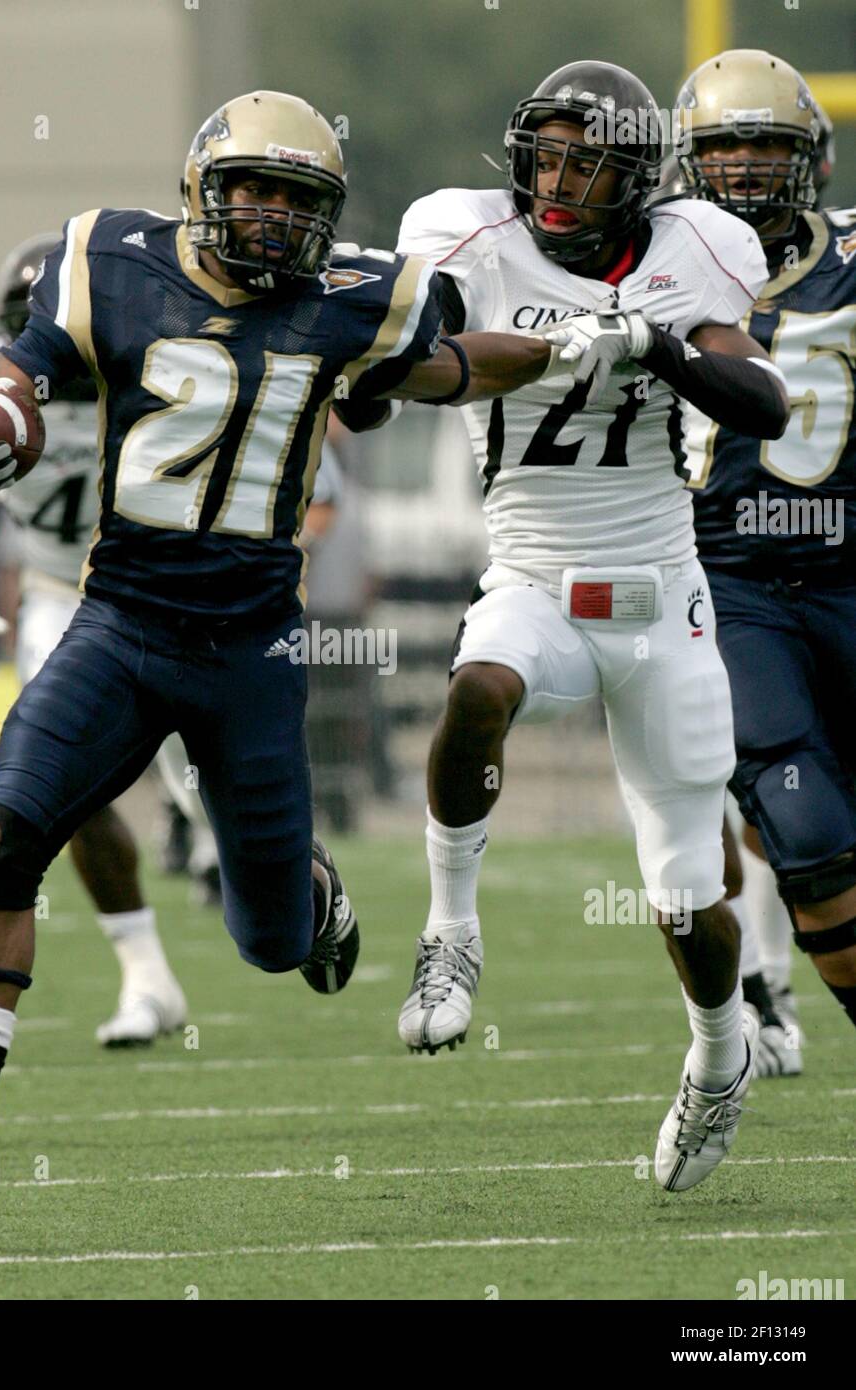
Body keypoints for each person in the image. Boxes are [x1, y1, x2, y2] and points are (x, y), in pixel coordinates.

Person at [0, 89, 572, 1213]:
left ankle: (304, 889)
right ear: (204, 187)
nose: (267, 215)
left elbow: (450, 365)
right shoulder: (109, 258)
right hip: (119, 619)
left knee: (268, 942)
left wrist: (568, 352)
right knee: (5, 829)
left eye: (293, 198)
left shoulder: (356, 296)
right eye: (250, 188)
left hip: (250, 646)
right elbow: (30, 364)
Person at [389, 60, 788, 1191]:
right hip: (535, 577)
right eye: (546, 156)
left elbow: (764, 402)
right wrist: (555, 345)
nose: (558, 182)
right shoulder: (470, 243)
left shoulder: (693, 252)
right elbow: (412, 370)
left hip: (665, 597)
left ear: (640, 179)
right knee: (478, 686)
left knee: (685, 894)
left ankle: (719, 1060)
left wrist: (658, 344)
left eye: (588, 161)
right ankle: (451, 927)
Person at [0, 234, 188, 1047]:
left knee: (206, 780)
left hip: (162, 588)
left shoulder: (161, 368)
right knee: (57, 784)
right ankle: (149, 976)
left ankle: (228, 848)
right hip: (53, 593)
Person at [678, 49, 856, 1050]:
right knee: (809, 827)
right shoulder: (659, 267)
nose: (744, 165)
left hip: (851, 568)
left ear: (813, 161)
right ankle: (767, 993)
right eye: (724, 146)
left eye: (766, 144)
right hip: (732, 585)